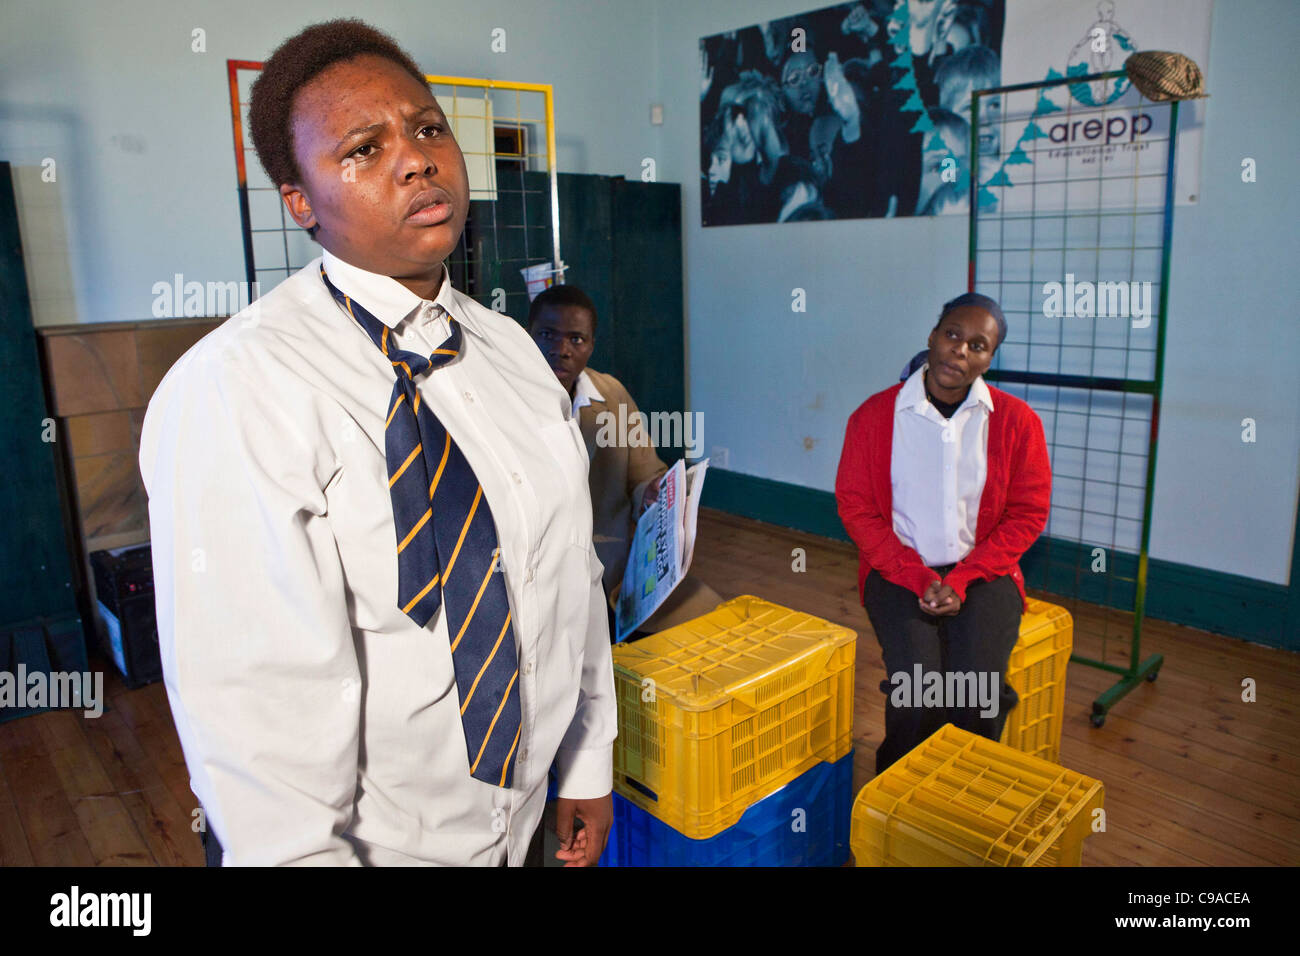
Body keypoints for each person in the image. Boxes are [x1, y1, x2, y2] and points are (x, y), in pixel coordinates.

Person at [138, 18, 615, 866]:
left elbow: (569, 571)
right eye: (362, 148)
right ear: (299, 203)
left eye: (427, 128)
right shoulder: (239, 389)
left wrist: (585, 758)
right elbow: (253, 704)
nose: (416, 158)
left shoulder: (510, 349)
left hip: (527, 816)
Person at [834, 293, 1051, 774]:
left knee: (977, 693)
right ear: (932, 337)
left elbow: (1027, 513)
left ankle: (962, 795)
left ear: (990, 358)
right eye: (952, 335)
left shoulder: (1018, 423)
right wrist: (916, 577)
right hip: (897, 570)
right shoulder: (874, 417)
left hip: (985, 572)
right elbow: (855, 506)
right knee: (918, 694)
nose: (961, 351)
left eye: (978, 345)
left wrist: (963, 579)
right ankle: (899, 798)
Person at [527, 285, 722, 637]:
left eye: (576, 339)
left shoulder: (611, 394)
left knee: (711, 618)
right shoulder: (507, 400)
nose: (561, 350)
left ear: (591, 345)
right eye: (547, 335)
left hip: (608, 572)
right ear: (528, 337)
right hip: (536, 579)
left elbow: (645, 474)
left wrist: (654, 492)